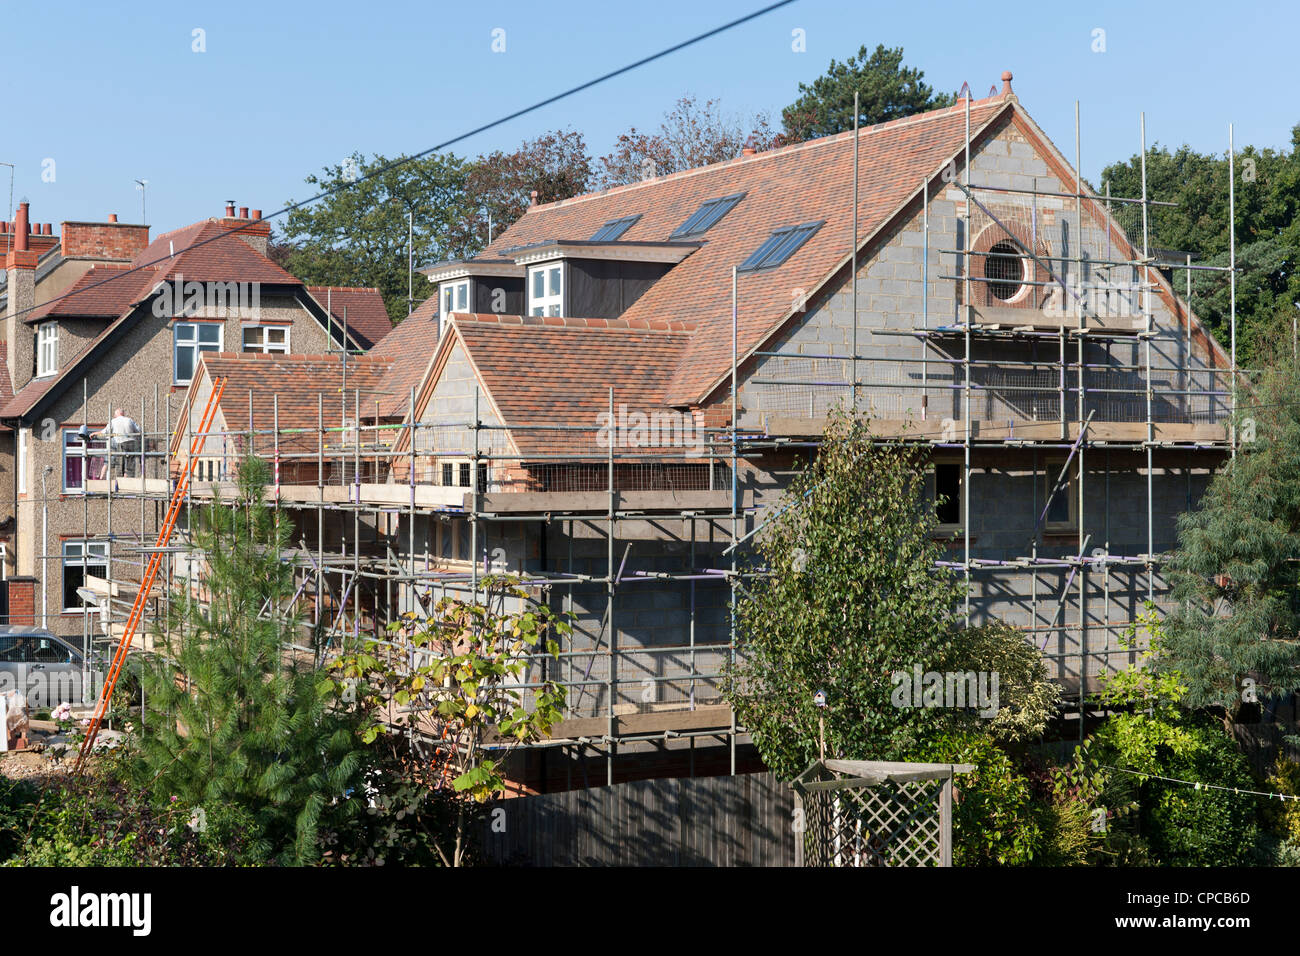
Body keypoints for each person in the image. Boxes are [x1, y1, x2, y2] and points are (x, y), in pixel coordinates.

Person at [94, 408, 142, 477]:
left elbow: (104, 432)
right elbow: (138, 431)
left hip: (120, 443)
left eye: (114, 415)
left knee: (120, 463)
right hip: (131, 443)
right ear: (123, 414)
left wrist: (94, 433)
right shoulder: (129, 420)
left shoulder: (113, 421)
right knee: (130, 464)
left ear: (116, 414)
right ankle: (130, 479)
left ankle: (120, 480)